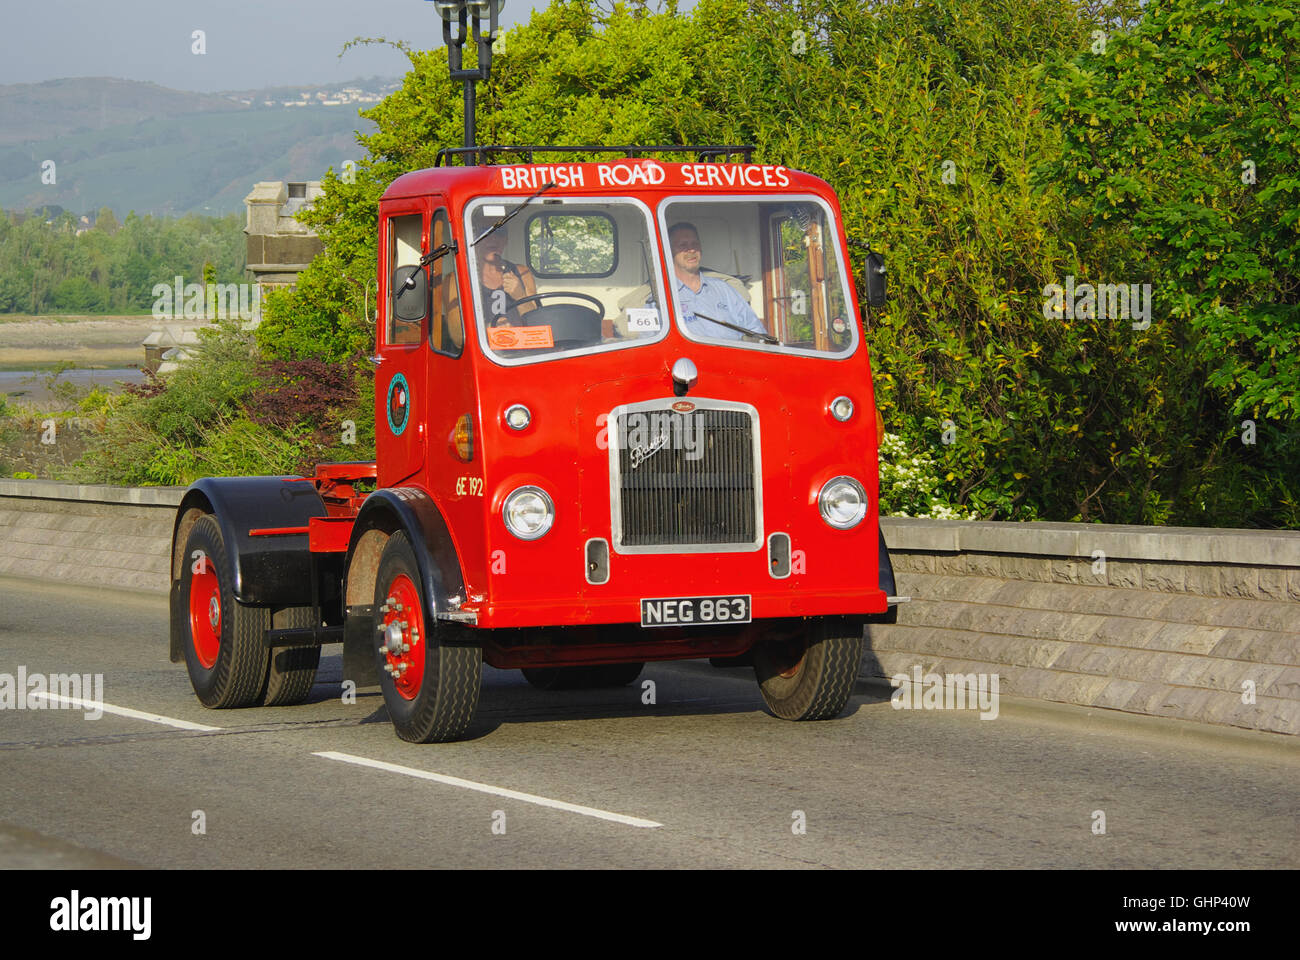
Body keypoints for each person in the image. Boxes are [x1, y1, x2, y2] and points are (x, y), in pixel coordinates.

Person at [667, 222, 768, 340]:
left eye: (695, 243)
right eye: (683, 245)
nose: (691, 250)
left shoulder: (724, 289)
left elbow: (757, 332)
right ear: (669, 251)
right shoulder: (662, 297)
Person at [477, 229, 537, 327]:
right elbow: (458, 336)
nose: (493, 238)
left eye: (500, 232)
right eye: (485, 232)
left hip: (520, 340)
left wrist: (520, 296)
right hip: (481, 342)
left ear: (506, 240)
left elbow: (535, 323)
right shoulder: (458, 278)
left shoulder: (522, 273)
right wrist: (488, 329)